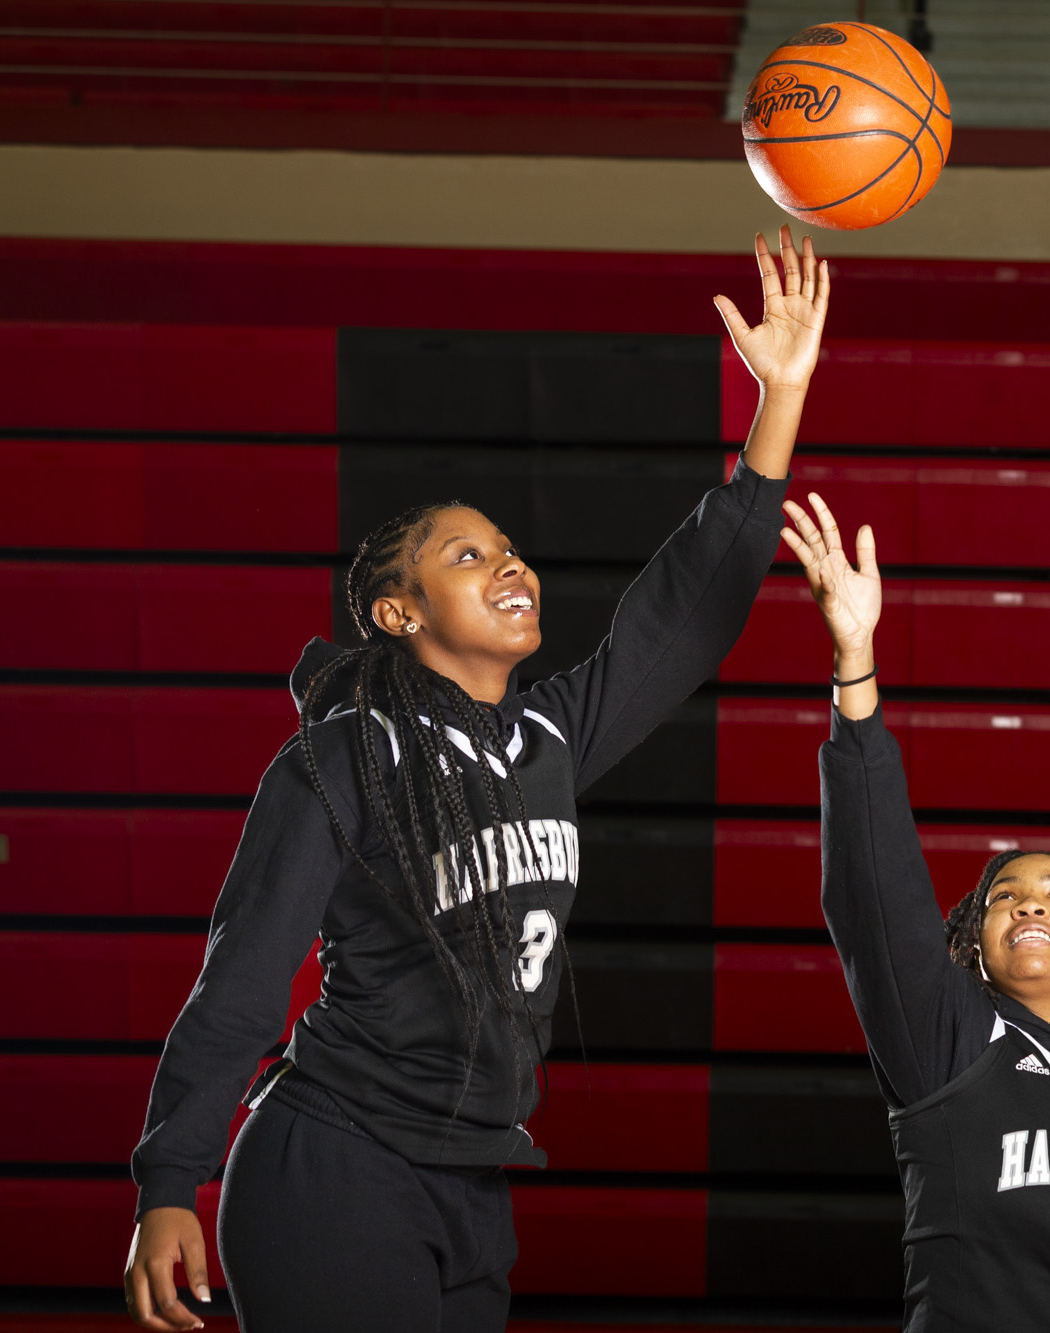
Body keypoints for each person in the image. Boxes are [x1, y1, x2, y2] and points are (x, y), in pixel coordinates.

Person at [122, 228, 831, 1333]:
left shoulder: (547, 735)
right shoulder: (346, 754)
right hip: (336, 1166)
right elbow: (246, 975)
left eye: (508, 547)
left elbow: (682, 617)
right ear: (399, 614)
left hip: (472, 1183)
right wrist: (170, 1180)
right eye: (465, 555)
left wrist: (776, 403)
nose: (508, 563)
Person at [780, 491, 1050, 1331]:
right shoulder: (952, 1040)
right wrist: (856, 663)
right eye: (1002, 897)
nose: (1028, 902)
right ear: (972, 948)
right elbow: (873, 891)